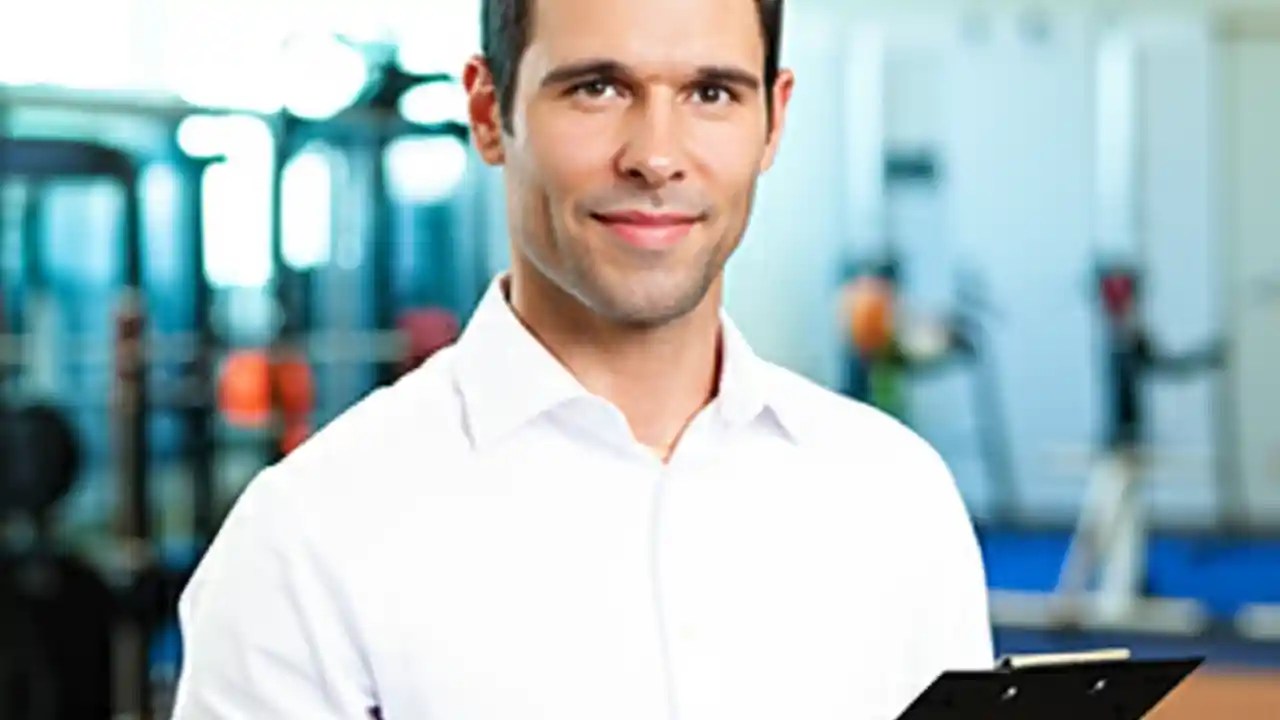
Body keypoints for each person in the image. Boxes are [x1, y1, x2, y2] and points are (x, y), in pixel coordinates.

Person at [172, 0, 993, 717]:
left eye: (711, 94)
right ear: (491, 111)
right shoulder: (309, 534)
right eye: (598, 88)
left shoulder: (896, 496)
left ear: (773, 120)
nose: (655, 155)